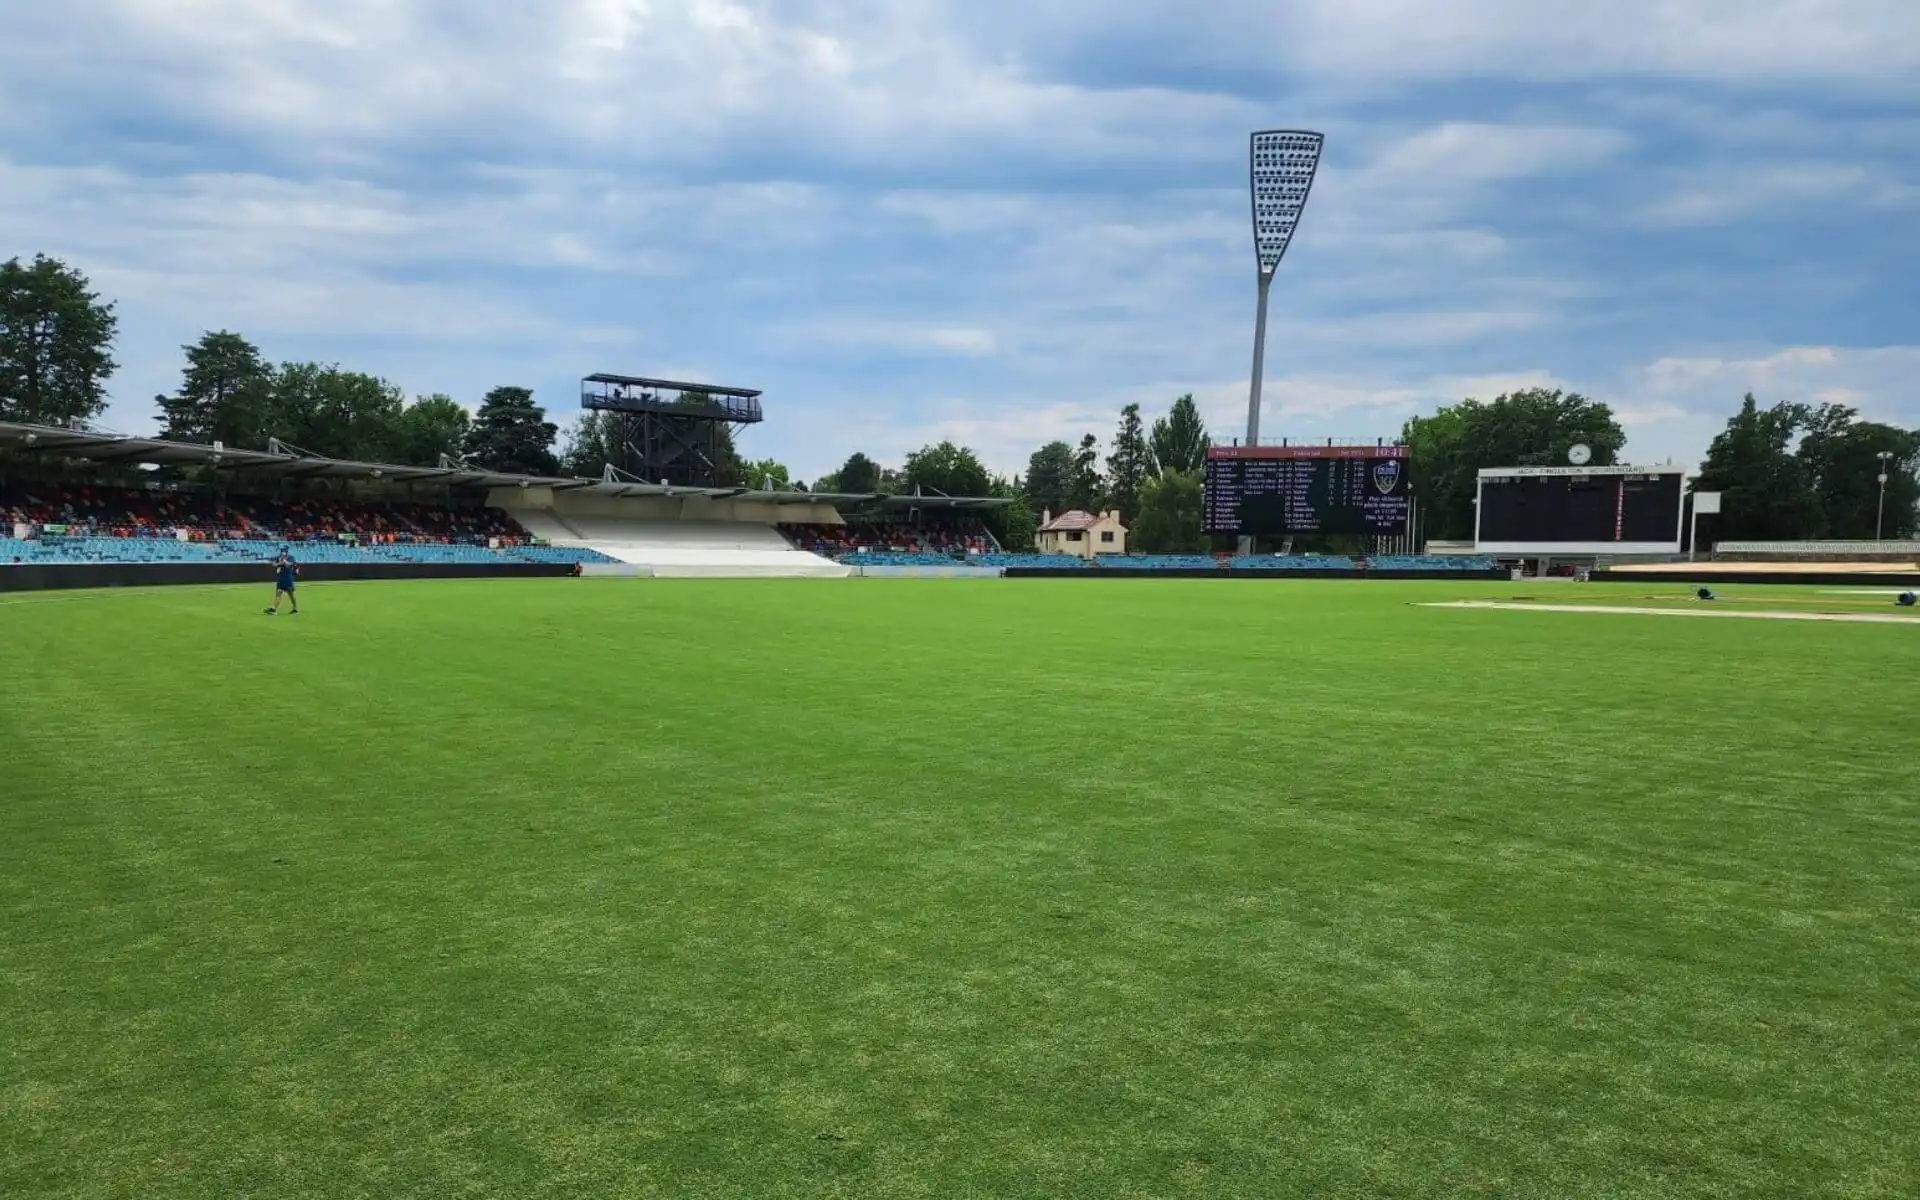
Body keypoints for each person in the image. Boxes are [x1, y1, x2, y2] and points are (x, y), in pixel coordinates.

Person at [265, 548, 299, 615]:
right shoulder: (278, 557)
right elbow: (274, 564)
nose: (283, 553)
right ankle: (273, 609)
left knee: (291, 594)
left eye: (284, 552)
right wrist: (276, 563)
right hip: (281, 578)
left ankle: (295, 608)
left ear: (286, 552)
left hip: (288, 578)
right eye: (282, 552)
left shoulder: (291, 557)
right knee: (278, 593)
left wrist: (283, 561)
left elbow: (289, 564)